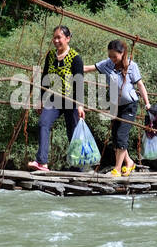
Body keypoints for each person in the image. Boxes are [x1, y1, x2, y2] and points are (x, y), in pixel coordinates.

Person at [84, 39, 150, 177]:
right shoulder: (107, 64)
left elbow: (140, 85)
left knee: (121, 136)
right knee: (115, 138)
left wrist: (147, 102)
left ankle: (117, 169)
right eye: (110, 56)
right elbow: (88, 68)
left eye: (115, 56)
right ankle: (129, 162)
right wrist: (70, 68)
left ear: (123, 53)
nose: (112, 59)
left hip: (129, 106)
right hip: (115, 106)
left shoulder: (132, 66)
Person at [28, 25, 86, 171]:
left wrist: (80, 105)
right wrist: (41, 99)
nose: (56, 40)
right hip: (53, 99)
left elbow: (79, 82)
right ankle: (42, 162)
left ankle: (78, 167)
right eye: (54, 37)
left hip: (70, 100)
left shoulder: (76, 58)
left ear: (67, 38)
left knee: (72, 132)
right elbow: (45, 77)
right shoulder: (51, 55)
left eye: (59, 37)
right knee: (43, 123)